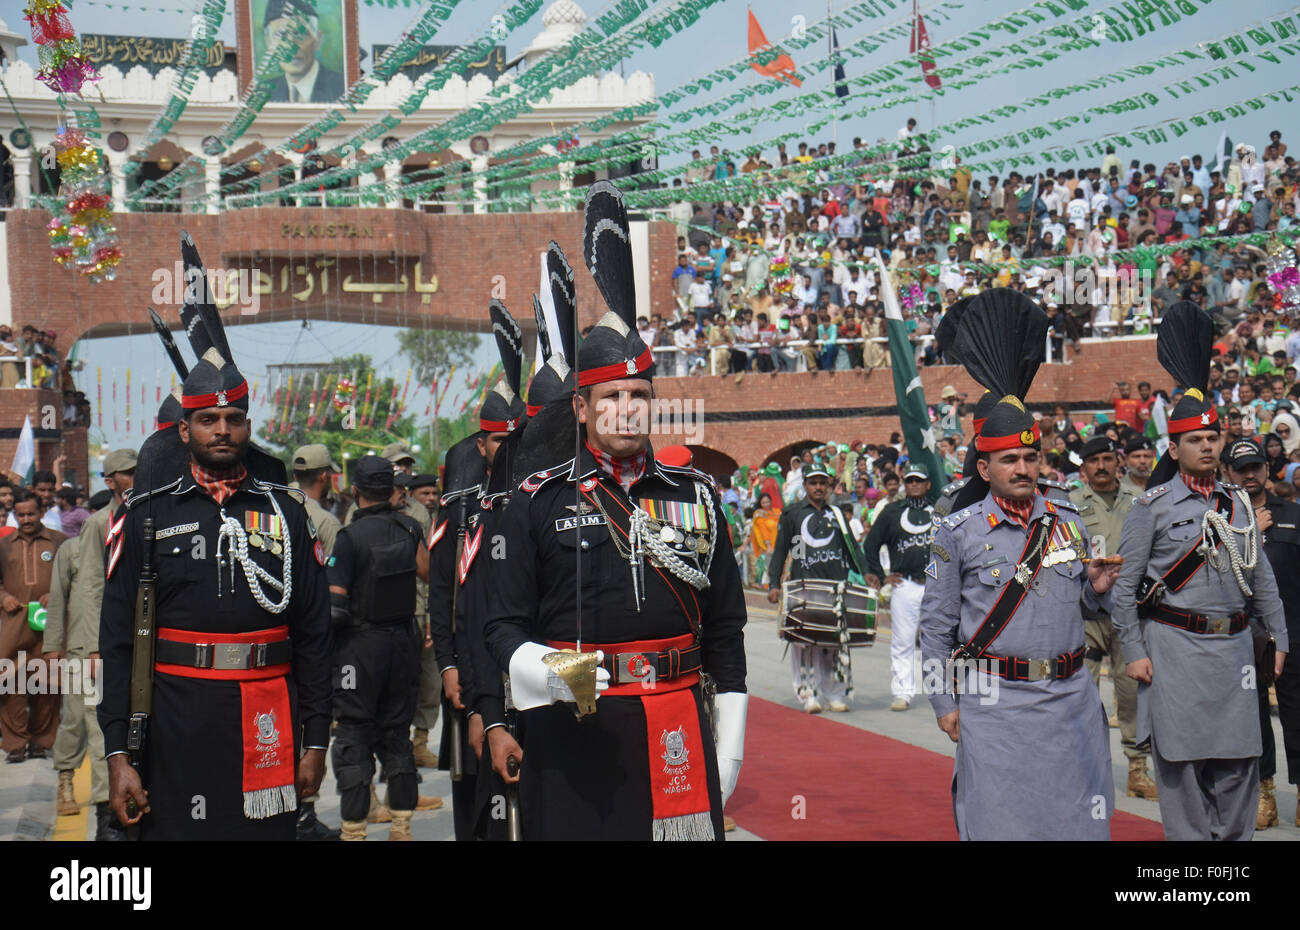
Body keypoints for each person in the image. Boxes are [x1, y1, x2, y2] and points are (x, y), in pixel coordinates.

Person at [483, 182, 748, 840]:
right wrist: (551, 671)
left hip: (677, 729)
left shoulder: (697, 498)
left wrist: (732, 742)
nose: (627, 408)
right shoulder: (534, 504)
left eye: (639, 393)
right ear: (582, 408)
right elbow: (500, 626)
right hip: (574, 733)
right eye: (612, 396)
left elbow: (727, 633)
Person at [99, 347, 332, 839]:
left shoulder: (288, 513)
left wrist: (317, 741)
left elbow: (314, 636)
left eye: (233, 419)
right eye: (208, 419)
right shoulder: (146, 516)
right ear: (185, 431)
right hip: (175, 720)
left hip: (269, 714)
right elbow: (119, 643)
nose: (222, 430)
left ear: (248, 426)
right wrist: (119, 755)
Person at [920, 287, 1119, 840]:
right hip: (996, 706)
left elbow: (1080, 601)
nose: (1024, 467)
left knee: (1079, 823)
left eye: (1031, 457)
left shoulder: (1066, 517)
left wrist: (1097, 587)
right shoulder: (955, 533)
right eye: (1010, 459)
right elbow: (935, 627)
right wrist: (943, 700)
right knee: (1001, 827)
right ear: (984, 468)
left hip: (1071, 700)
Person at [1112, 302, 1289, 841]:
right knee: (1182, 764)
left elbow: (1260, 578)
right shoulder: (1152, 508)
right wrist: (1136, 652)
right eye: (1196, 439)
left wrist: (1278, 633)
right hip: (1175, 648)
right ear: (1176, 446)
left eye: (1214, 438)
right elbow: (1124, 589)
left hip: (1234, 648)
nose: (1208, 446)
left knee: (1239, 760)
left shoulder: (1236, 501)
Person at [326, 455, 429, 841]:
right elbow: (428, 572)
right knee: (396, 737)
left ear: (355, 492)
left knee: (353, 738)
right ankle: (401, 829)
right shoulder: (410, 528)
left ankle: (354, 833)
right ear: (393, 491)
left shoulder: (349, 539)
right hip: (403, 644)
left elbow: (335, 607)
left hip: (359, 647)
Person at [47, 448, 135, 839]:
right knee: (81, 725)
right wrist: (61, 647)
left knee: (120, 729)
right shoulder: (97, 527)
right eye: (127, 473)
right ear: (111, 480)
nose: (135, 478)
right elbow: (82, 594)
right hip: (91, 648)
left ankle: (118, 799)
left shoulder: (147, 517)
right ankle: (96, 805)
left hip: (131, 646)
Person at [1068, 436, 1157, 799]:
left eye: (1107, 459)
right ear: (1083, 468)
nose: (1102, 466)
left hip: (1127, 611)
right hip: (1084, 612)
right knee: (1081, 692)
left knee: (1131, 689)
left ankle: (1138, 767)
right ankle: (1082, 767)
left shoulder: (1139, 500)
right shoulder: (1069, 504)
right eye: (1095, 461)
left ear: (1117, 463)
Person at [1223, 438, 1300, 829]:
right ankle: (1264, 792)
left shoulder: (1293, 514)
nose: (1249, 474)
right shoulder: (1218, 517)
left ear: (1268, 470)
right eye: (1241, 469)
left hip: (1294, 632)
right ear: (1227, 473)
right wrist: (1250, 531)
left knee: (1297, 715)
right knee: (1252, 720)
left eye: (1256, 467)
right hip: (1242, 637)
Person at [768, 463, 866, 713]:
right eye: (814, 483)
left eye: (823, 483)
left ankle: (833, 692)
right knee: (804, 642)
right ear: (805, 486)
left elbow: (852, 548)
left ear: (829, 486)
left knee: (833, 642)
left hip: (835, 587)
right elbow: (783, 550)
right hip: (805, 584)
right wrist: (774, 583)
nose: (819, 487)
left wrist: (868, 573)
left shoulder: (837, 515)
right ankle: (807, 693)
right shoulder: (793, 514)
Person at [287, 443, 344, 840]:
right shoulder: (325, 523)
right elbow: (333, 590)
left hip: (273, 638)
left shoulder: (273, 508)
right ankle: (303, 814)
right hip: (312, 636)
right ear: (326, 476)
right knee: (311, 728)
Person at [0, 490, 68, 763]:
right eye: (21, 514)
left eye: (31, 513)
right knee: (10, 680)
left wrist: (58, 593)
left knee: (48, 682)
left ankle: (42, 741)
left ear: (42, 512)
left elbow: (75, 578)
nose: (26, 519)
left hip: (50, 622)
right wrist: (4, 597)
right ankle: (15, 743)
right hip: (13, 622)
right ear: (15, 515)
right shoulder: (3, 545)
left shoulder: (59, 542)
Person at [862, 464, 934, 711]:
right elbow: (870, 545)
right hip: (905, 584)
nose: (914, 484)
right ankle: (903, 692)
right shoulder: (892, 512)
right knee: (903, 641)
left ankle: (943, 692)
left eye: (919, 480)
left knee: (942, 640)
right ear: (905, 483)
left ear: (928, 485)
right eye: (910, 480)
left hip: (938, 586)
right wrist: (882, 577)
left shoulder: (942, 512)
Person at [264, 0, 345, 103]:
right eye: (280, 36)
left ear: (318, 40)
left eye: (300, 35)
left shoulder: (344, 89)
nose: (291, 47)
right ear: (268, 43)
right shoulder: (262, 95)